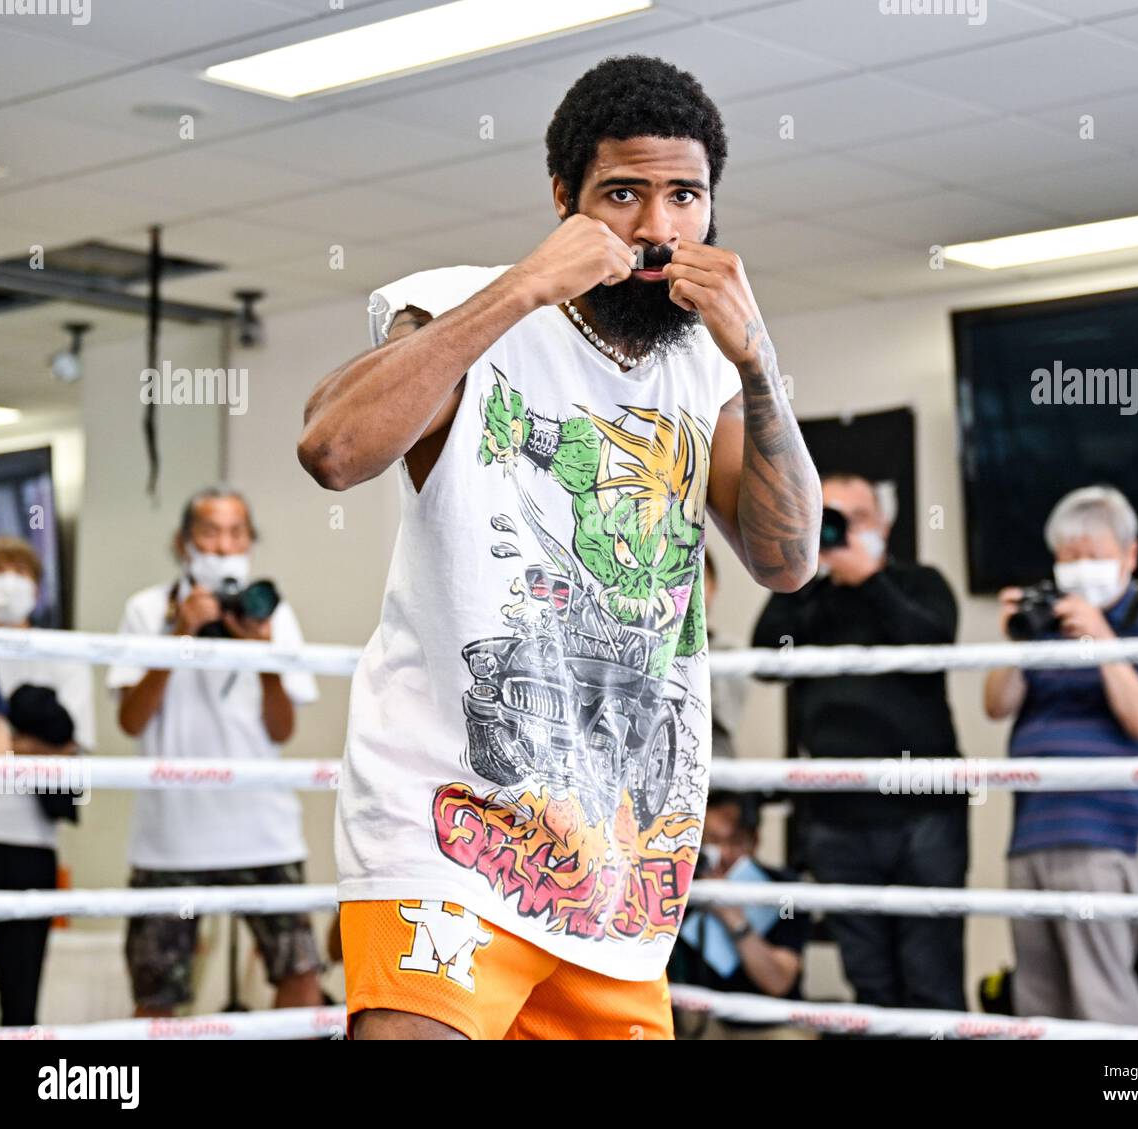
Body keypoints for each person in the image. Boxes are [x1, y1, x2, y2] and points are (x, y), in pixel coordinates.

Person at [298, 54, 822, 1040]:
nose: (658, 229)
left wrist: (760, 362)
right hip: (445, 831)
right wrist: (524, 288)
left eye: (685, 197)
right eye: (622, 194)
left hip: (616, 874)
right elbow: (332, 449)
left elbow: (786, 560)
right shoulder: (454, 300)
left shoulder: (704, 362)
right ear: (563, 199)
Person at [752, 473, 968, 1011]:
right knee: (868, 984)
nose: (842, 530)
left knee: (932, 977)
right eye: (830, 518)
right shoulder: (809, 599)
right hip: (836, 820)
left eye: (856, 518)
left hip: (926, 813)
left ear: (884, 524)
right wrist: (806, 571)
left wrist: (868, 578)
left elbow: (934, 641)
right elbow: (765, 658)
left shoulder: (919, 582)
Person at [107, 487, 323, 1017]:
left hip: (262, 829)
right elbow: (130, 719)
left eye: (237, 532)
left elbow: (281, 730)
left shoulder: (269, 610)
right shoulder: (147, 609)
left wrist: (264, 654)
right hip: (171, 838)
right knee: (156, 994)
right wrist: (178, 637)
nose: (225, 546)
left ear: (250, 540)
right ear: (184, 543)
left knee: (302, 977)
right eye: (211, 531)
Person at [984, 485, 1138, 1025]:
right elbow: (995, 705)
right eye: (1067, 558)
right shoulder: (1045, 623)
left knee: (1101, 999)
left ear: (1130, 554)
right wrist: (1017, 639)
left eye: (1092, 555)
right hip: (1030, 834)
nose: (1078, 569)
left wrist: (1102, 641)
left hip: (1106, 836)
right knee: (1038, 1004)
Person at [0, 536, 94, 1027]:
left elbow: (74, 748)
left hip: (30, 843)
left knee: (21, 998)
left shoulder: (62, 652)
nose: (8, 583)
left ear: (38, 586)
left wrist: (2, 745)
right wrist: (27, 742)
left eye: (19, 572)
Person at [669, 791, 813, 1039]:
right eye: (712, 840)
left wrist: (732, 916)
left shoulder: (785, 891)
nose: (723, 854)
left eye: (734, 842)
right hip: (700, 1021)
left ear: (754, 841)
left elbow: (778, 981)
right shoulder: (677, 888)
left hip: (770, 1023)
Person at [704, 549, 747, 759]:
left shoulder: (730, 650)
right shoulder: (642, 650)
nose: (687, 589)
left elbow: (724, 717)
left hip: (714, 766)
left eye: (697, 580)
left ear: (713, 587)